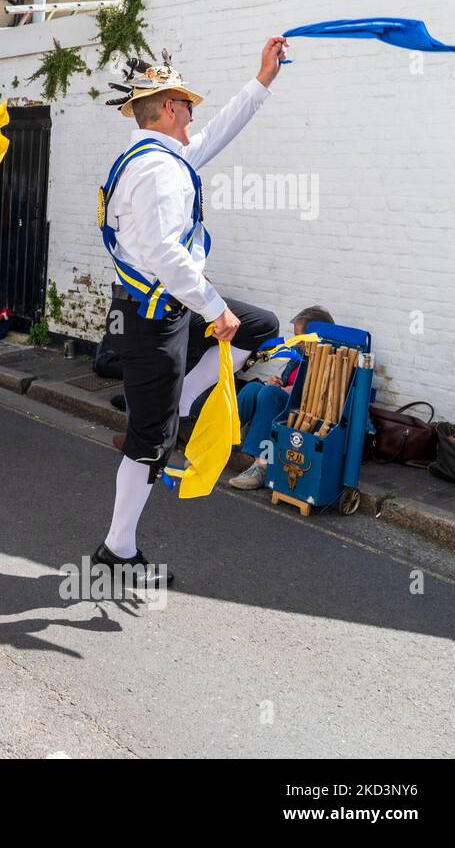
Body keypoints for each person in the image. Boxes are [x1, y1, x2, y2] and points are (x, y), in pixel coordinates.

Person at [90, 39, 289, 588]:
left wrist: (262, 81)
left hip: (167, 305)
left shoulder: (162, 156)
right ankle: (117, 551)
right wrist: (215, 308)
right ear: (171, 109)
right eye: (187, 104)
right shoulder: (159, 170)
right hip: (154, 313)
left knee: (260, 326)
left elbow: (219, 131)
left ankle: (179, 398)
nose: (195, 113)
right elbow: (163, 252)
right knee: (151, 442)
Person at [228, 305, 334, 490]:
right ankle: (217, 446)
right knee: (253, 388)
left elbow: (321, 395)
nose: (296, 341)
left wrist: (290, 390)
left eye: (300, 337)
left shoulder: (328, 359)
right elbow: (287, 382)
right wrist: (279, 383)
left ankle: (261, 466)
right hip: (285, 399)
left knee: (268, 393)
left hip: (304, 409)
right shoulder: (300, 354)